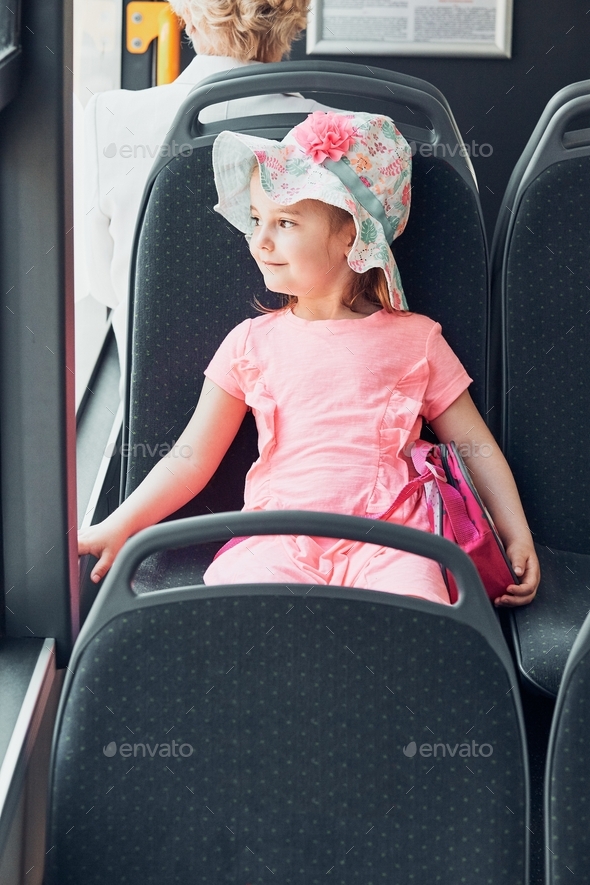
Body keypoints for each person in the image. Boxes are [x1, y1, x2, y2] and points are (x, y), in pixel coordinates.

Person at [79, 111, 540, 607]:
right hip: (278, 536)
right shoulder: (249, 342)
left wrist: (515, 534)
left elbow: (476, 449)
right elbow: (188, 462)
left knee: (420, 622)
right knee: (241, 615)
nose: (260, 240)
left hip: (395, 542)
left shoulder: (418, 340)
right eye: (257, 220)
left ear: (351, 236)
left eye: (286, 222)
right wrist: (119, 525)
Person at [80, 0, 336, 380]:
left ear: (188, 15)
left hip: (155, 395)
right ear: (294, 17)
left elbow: (105, 286)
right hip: (301, 395)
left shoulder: (110, 119)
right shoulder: (339, 134)